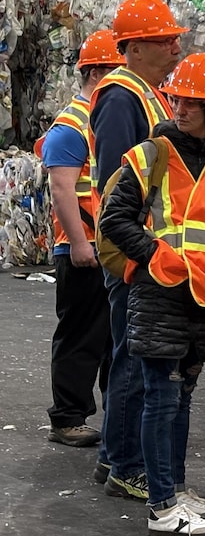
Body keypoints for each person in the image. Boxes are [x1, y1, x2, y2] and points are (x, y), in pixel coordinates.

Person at [98, 53, 205, 536]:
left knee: (184, 395)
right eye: (177, 99)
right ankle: (162, 506)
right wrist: (155, 257)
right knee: (162, 397)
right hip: (161, 294)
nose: (180, 108)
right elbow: (113, 219)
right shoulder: (152, 154)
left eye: (191, 102)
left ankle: (176, 490)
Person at [92, 0, 186, 500]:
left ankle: (115, 456)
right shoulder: (121, 98)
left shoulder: (150, 95)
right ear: (134, 48)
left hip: (145, 249)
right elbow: (116, 185)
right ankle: (127, 465)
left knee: (132, 354)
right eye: (164, 40)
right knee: (132, 357)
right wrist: (137, 250)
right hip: (134, 252)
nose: (176, 47)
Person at [35, 30, 124, 447]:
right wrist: (79, 243)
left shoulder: (101, 120)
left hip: (106, 247)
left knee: (110, 339)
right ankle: (67, 418)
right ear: (97, 73)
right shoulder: (72, 126)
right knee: (81, 336)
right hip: (83, 248)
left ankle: (113, 415)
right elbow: (62, 189)